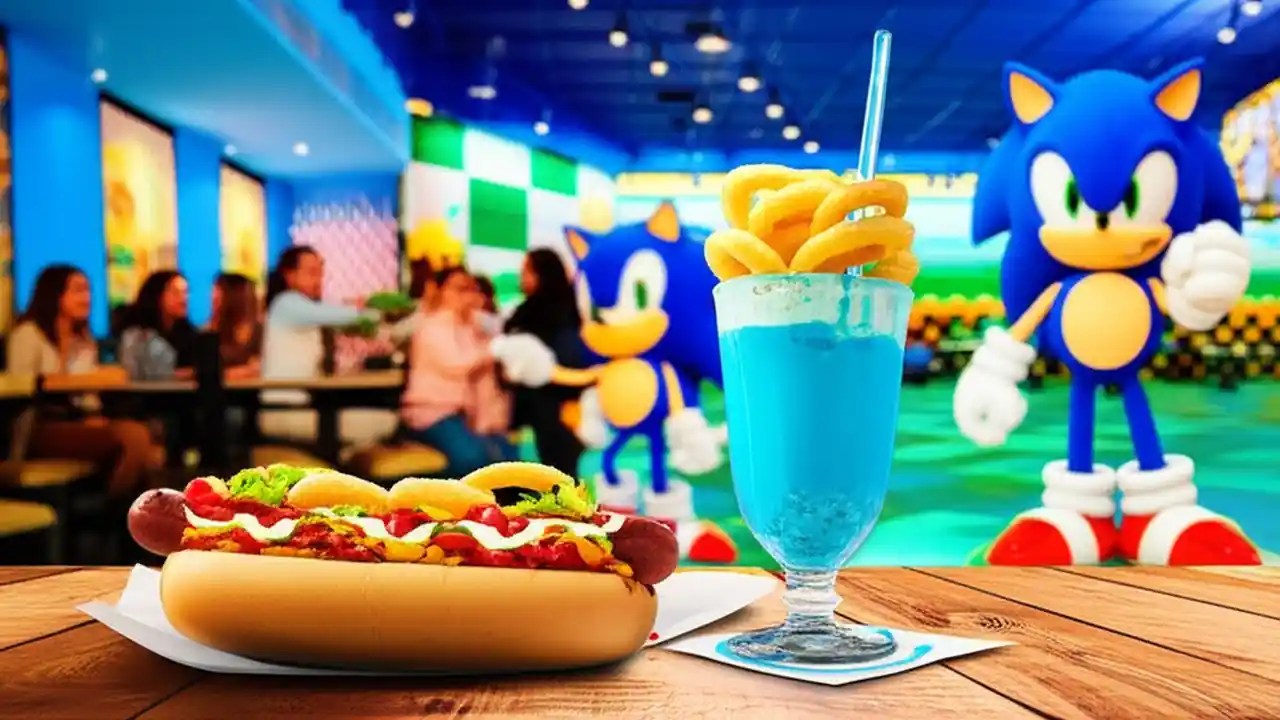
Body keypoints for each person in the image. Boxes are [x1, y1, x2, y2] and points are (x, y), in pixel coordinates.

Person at [5, 265, 154, 497]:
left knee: (147, 440)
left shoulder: (83, 340)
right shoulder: (28, 334)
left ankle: (123, 518)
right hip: (40, 425)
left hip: (81, 418)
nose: (87, 298)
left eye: (88, 291)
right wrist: (79, 380)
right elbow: (23, 386)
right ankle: (116, 518)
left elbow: (89, 392)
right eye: (78, 290)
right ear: (54, 294)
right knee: (134, 438)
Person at [258, 245, 394, 447]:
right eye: (312, 273)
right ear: (289, 276)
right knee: (385, 422)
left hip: (300, 406)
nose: (319, 280)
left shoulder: (297, 310)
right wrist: (380, 311)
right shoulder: (286, 303)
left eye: (320, 273)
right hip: (285, 409)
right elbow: (341, 316)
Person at [401, 267, 516, 476]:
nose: (468, 296)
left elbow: (489, 376)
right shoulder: (432, 325)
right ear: (439, 291)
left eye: (471, 289)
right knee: (472, 459)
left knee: (510, 460)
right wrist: (493, 348)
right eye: (459, 289)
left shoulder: (474, 327)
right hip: (434, 413)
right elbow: (458, 364)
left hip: (470, 416)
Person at [503, 249, 588, 476]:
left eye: (526, 271)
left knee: (557, 475)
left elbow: (569, 359)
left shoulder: (552, 314)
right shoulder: (541, 309)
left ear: (542, 274)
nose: (522, 277)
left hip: (553, 410)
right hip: (544, 411)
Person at [116, 271, 198, 381]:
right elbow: (138, 376)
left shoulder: (190, 334)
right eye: (175, 292)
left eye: (186, 292)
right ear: (158, 296)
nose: (183, 299)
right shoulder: (136, 335)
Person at [208, 272, 261, 380]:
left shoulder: (258, 331)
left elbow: (258, 368)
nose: (212, 297)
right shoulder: (211, 329)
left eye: (218, 291)